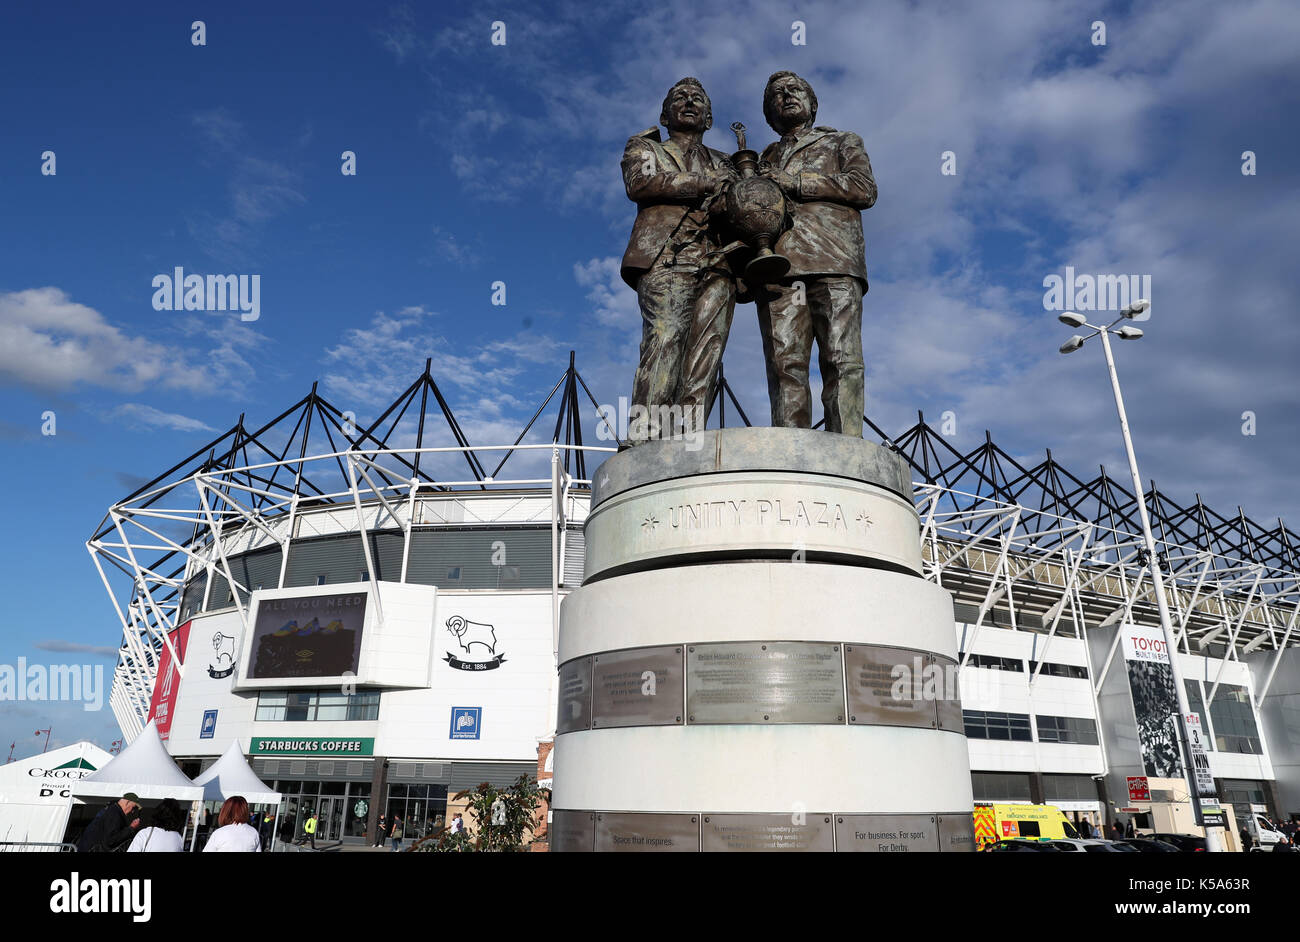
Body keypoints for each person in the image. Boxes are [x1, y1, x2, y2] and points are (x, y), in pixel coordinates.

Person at [754, 70, 876, 436]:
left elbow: (863, 189)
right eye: (777, 93)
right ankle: (792, 451)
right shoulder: (762, 158)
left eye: (795, 90)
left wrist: (798, 183)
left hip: (834, 260)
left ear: (813, 104)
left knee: (841, 359)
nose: (787, 95)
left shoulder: (841, 141)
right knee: (783, 365)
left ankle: (846, 447)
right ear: (769, 113)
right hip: (778, 268)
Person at [619, 77, 739, 444]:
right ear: (665, 113)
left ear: (708, 118)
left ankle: (686, 441)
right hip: (667, 259)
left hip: (718, 263)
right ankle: (644, 439)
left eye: (698, 99)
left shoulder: (726, 161)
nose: (689, 102)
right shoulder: (645, 148)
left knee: (706, 353)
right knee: (665, 338)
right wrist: (704, 184)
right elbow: (641, 183)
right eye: (680, 98)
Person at [76, 792, 142, 852]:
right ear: (127, 802)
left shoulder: (113, 811)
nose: (133, 811)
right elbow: (111, 840)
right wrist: (131, 828)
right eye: (133, 808)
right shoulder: (114, 813)